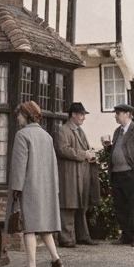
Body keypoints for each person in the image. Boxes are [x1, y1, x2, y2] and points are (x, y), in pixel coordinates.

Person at [5, 100, 63, 267]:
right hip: (46, 187)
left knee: (29, 227)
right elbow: (53, 164)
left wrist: (16, 187)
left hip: (29, 187)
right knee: (43, 225)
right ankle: (56, 259)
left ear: (26, 115)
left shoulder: (22, 135)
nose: (18, 119)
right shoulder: (46, 136)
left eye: (19, 115)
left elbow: (19, 165)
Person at [106, 102, 134, 247]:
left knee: (133, 205)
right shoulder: (117, 132)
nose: (115, 116)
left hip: (129, 174)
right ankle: (125, 235)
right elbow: (117, 150)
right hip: (116, 174)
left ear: (126, 114)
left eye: (118, 114)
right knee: (120, 206)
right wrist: (108, 148)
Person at [56, 102, 98, 248]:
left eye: (84, 114)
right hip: (69, 174)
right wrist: (83, 154)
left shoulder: (80, 130)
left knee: (82, 205)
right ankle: (66, 238)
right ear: (73, 114)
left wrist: (90, 154)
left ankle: (82, 235)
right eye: (81, 114)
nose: (83, 117)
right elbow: (62, 150)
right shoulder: (63, 130)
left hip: (82, 173)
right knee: (68, 204)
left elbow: (82, 149)